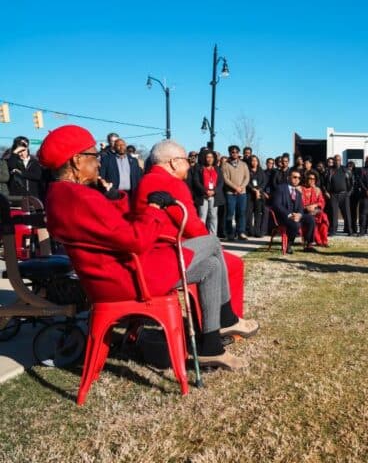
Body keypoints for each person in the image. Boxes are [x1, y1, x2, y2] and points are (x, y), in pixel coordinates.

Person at [40, 126, 257, 370]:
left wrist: (115, 198)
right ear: (76, 160)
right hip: (126, 276)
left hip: (114, 272)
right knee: (212, 242)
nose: (99, 163)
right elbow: (136, 239)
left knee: (212, 265)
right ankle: (226, 319)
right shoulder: (77, 196)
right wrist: (154, 209)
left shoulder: (64, 194)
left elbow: (114, 228)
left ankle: (210, 347)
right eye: (94, 156)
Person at [134, 141, 250, 321]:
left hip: (153, 253)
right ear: (173, 162)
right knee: (232, 263)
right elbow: (193, 227)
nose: (189, 164)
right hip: (170, 254)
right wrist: (211, 247)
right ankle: (227, 321)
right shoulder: (170, 183)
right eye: (186, 159)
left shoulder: (146, 179)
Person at [273, 170, 316, 253]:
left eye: (299, 178)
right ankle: (289, 245)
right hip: (283, 217)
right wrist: (289, 215)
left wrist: (299, 214)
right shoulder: (280, 188)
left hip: (295, 216)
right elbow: (276, 205)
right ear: (288, 178)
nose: (297, 179)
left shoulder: (298, 192)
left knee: (311, 219)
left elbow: (300, 207)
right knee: (295, 224)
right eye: (295, 177)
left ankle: (308, 245)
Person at [191, 149, 225, 235]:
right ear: (204, 158)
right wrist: (205, 191)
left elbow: (221, 182)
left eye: (211, 157)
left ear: (214, 158)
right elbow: (196, 181)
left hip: (214, 196)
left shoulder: (217, 169)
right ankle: (201, 235)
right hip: (203, 196)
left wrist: (214, 191)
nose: (209, 159)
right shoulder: (199, 168)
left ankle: (213, 236)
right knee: (202, 216)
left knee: (213, 216)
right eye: (207, 157)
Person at [221, 145, 249, 241]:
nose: (235, 154)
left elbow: (247, 177)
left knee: (241, 213)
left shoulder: (244, 164)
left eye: (236, 152)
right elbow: (225, 179)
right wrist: (235, 188)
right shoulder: (225, 165)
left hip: (242, 193)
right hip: (230, 193)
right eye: (233, 152)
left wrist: (241, 187)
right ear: (229, 153)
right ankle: (230, 233)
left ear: (238, 153)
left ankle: (241, 232)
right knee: (230, 214)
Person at [300, 170, 329, 247]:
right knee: (312, 219)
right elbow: (297, 204)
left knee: (323, 216)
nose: (312, 180)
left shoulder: (317, 190)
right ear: (306, 179)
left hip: (315, 210)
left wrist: (315, 205)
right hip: (304, 212)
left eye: (314, 179)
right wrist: (306, 207)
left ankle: (324, 241)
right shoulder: (299, 189)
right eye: (310, 178)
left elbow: (322, 202)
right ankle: (318, 241)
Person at [327, 154, 353, 236]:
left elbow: (352, 183)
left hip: (344, 195)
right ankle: (333, 231)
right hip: (333, 195)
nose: (337, 161)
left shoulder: (345, 170)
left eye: (339, 160)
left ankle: (350, 231)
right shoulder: (330, 170)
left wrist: (349, 193)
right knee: (334, 214)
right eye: (336, 160)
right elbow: (326, 182)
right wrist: (327, 192)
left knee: (347, 214)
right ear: (334, 161)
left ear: (340, 160)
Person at [246, 155, 267, 237]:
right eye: (252, 160)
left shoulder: (261, 171)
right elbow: (246, 181)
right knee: (249, 213)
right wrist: (253, 189)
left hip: (259, 195)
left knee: (258, 213)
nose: (254, 162)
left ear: (258, 162)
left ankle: (257, 231)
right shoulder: (247, 170)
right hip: (250, 195)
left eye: (255, 161)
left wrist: (258, 190)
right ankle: (249, 231)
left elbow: (264, 182)